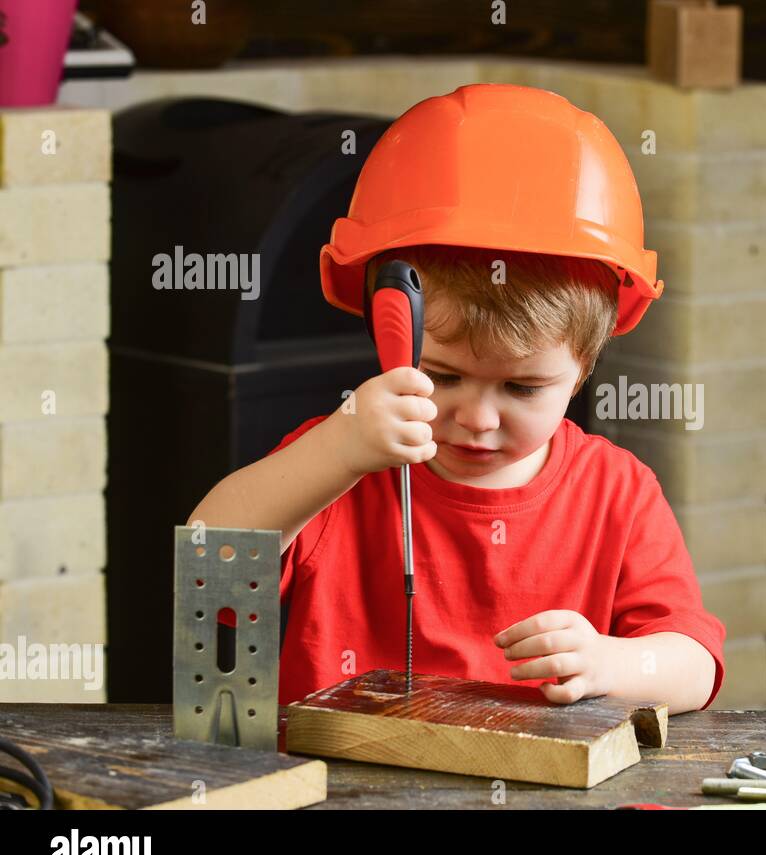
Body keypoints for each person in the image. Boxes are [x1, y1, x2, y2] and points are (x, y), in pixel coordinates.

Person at [188, 84, 726, 714]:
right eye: (442, 377)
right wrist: (337, 450)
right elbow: (207, 570)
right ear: (391, 339)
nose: (476, 418)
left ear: (582, 370)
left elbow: (693, 666)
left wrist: (613, 661)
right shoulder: (339, 465)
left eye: (522, 388)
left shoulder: (617, 493)